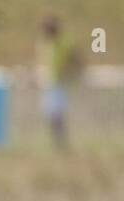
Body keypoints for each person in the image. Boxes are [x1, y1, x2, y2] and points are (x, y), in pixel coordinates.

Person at [37, 15, 82, 148]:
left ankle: (61, 143)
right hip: (50, 84)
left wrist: (71, 73)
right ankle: (58, 143)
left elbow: (77, 60)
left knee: (56, 115)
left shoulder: (65, 43)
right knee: (51, 115)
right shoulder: (46, 44)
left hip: (60, 84)